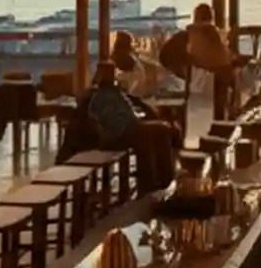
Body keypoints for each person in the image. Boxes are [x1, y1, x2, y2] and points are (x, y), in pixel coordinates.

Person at [58, 61, 180, 193]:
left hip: (127, 129)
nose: (111, 77)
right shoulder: (96, 96)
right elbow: (105, 121)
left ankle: (164, 179)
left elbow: (127, 113)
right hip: (116, 135)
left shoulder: (114, 92)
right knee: (149, 133)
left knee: (161, 130)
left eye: (111, 74)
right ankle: (151, 183)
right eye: (108, 74)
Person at [185, 3, 240, 119]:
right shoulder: (213, 31)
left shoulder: (190, 32)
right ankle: (233, 110)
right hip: (218, 71)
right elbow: (223, 53)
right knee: (235, 75)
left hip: (198, 72)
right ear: (211, 17)